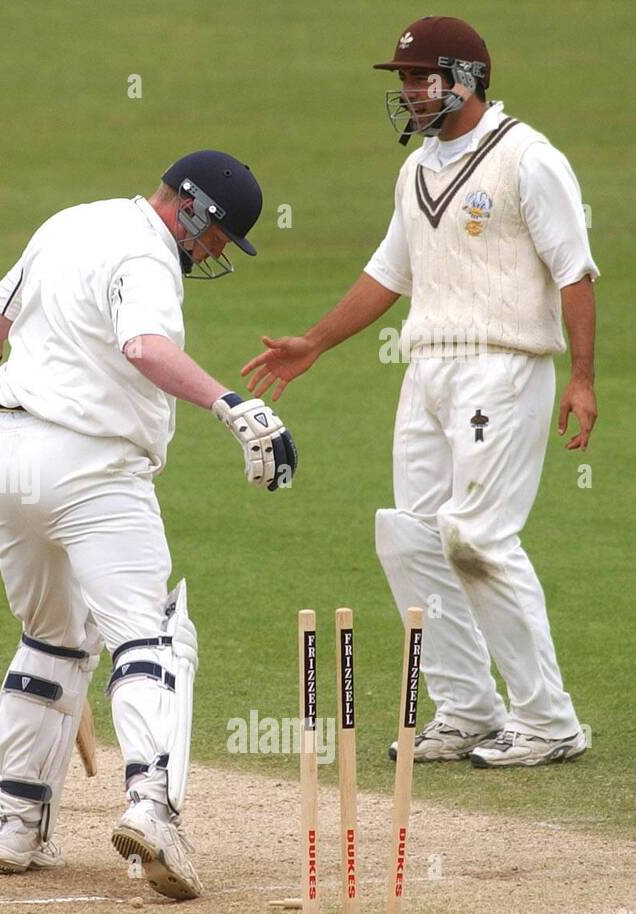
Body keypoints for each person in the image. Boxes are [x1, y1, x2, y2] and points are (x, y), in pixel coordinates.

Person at [242, 17, 597, 768]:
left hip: (503, 366)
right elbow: (388, 273)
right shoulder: (416, 171)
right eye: (402, 80)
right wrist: (316, 340)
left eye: (419, 78)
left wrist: (584, 378)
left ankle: (549, 722)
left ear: (462, 80)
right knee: (410, 534)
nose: (407, 92)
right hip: (428, 369)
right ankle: (468, 708)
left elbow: (575, 272)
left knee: (478, 539)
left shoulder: (528, 159)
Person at [0, 151, 296, 900]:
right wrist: (235, 408)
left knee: (53, 638)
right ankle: (152, 806)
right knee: (153, 633)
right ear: (192, 209)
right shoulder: (147, 255)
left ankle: (16, 822)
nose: (213, 254)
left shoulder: (69, 222)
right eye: (218, 238)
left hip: (14, 463)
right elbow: (144, 347)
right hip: (95, 467)